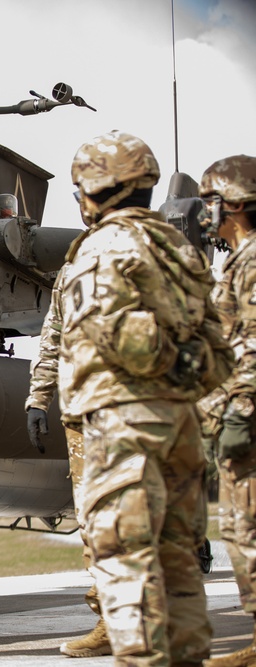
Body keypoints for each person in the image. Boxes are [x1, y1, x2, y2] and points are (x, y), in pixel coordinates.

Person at [57, 131, 233, 666]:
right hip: (180, 429)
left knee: (127, 574)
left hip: (124, 431)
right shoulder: (178, 247)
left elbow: (117, 335)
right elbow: (217, 350)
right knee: (179, 574)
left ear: (95, 189)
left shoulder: (103, 247)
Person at [26, 260, 112, 658]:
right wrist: (38, 398)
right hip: (83, 415)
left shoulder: (146, 250)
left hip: (134, 411)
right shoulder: (74, 265)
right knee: (95, 522)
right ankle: (112, 622)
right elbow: (55, 333)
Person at [195, 155, 256, 667]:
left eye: (209, 201)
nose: (204, 212)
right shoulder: (236, 261)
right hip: (235, 414)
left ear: (232, 204)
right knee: (239, 529)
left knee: (247, 529)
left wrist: (242, 411)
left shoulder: (253, 262)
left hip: (248, 419)